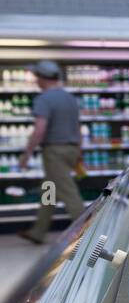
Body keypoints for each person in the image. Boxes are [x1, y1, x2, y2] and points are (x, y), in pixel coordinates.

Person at [18, 60, 85, 244]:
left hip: (55, 150)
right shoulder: (69, 98)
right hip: (71, 149)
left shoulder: (44, 99)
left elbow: (40, 128)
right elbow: (78, 127)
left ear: (43, 78)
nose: (36, 80)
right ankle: (38, 232)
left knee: (67, 191)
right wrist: (79, 151)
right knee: (49, 189)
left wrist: (27, 154)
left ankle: (89, 232)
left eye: (37, 77)